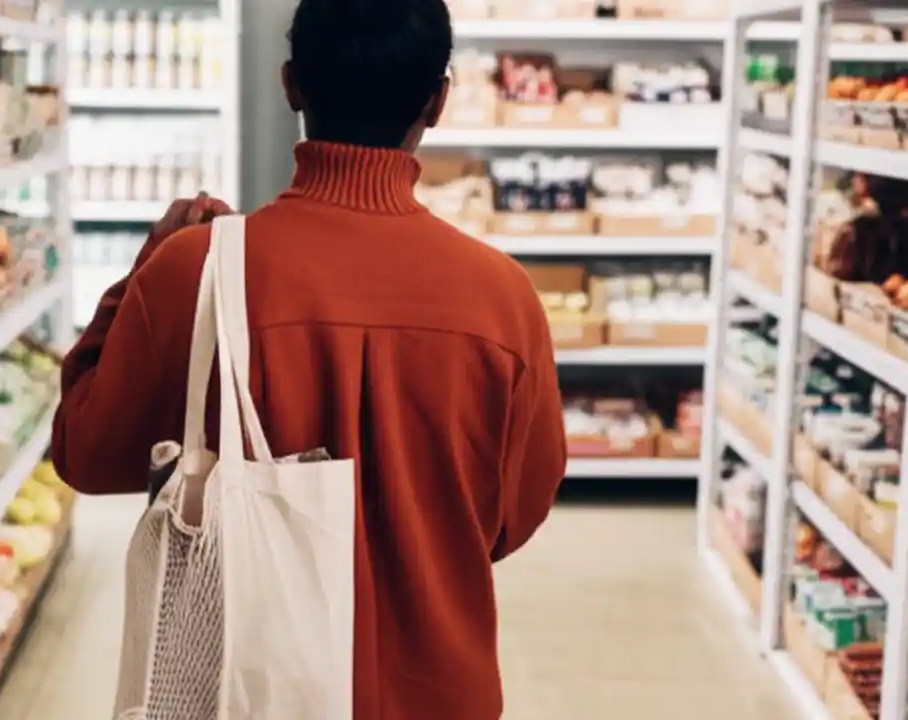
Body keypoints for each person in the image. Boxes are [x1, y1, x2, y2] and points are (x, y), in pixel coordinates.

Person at [52, 0, 566, 717]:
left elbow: (85, 452)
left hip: (246, 685)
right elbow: (513, 515)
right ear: (439, 99)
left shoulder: (196, 270)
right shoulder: (502, 299)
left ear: (291, 83)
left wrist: (142, 273)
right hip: (437, 689)